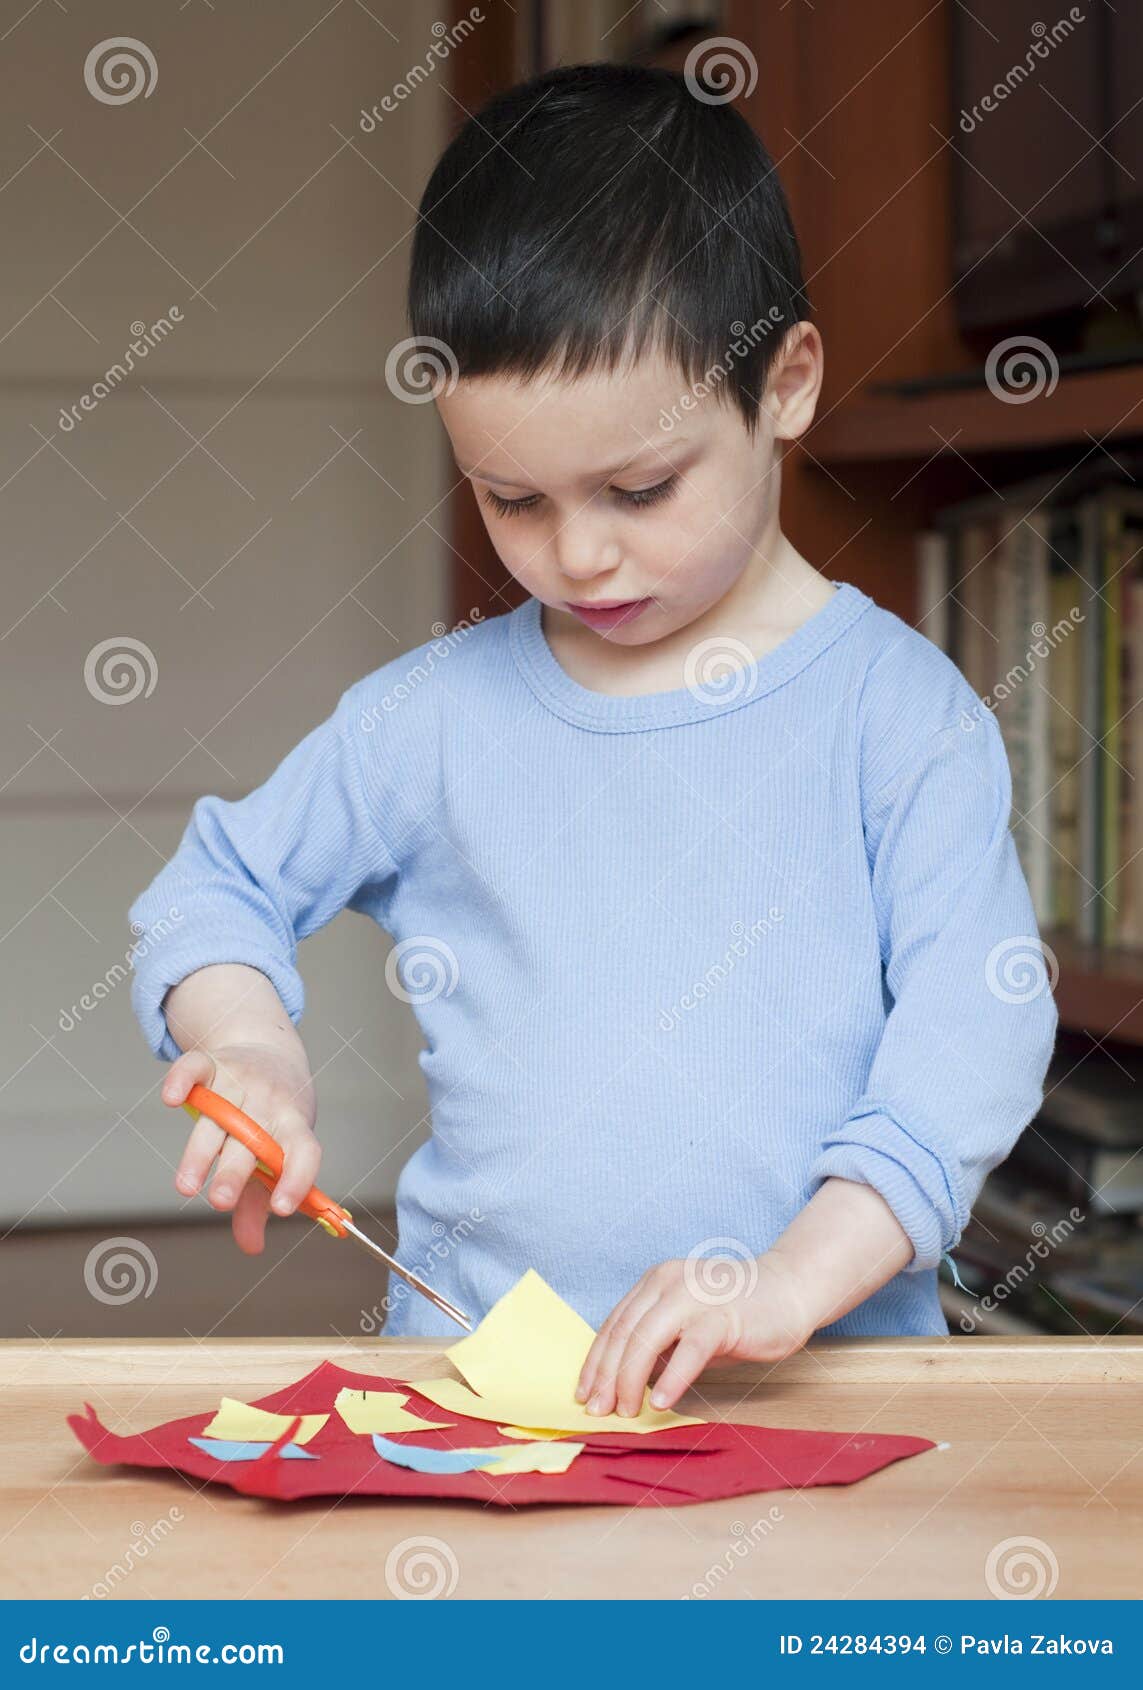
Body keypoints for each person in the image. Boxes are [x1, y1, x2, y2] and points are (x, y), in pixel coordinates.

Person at [128, 63, 1057, 1417]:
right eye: (512, 498)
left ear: (785, 383)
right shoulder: (430, 719)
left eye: (640, 487)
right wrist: (250, 1041)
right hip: (480, 1389)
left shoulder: (901, 720)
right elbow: (214, 888)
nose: (577, 553)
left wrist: (791, 1280)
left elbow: (974, 1039)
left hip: (824, 1385)